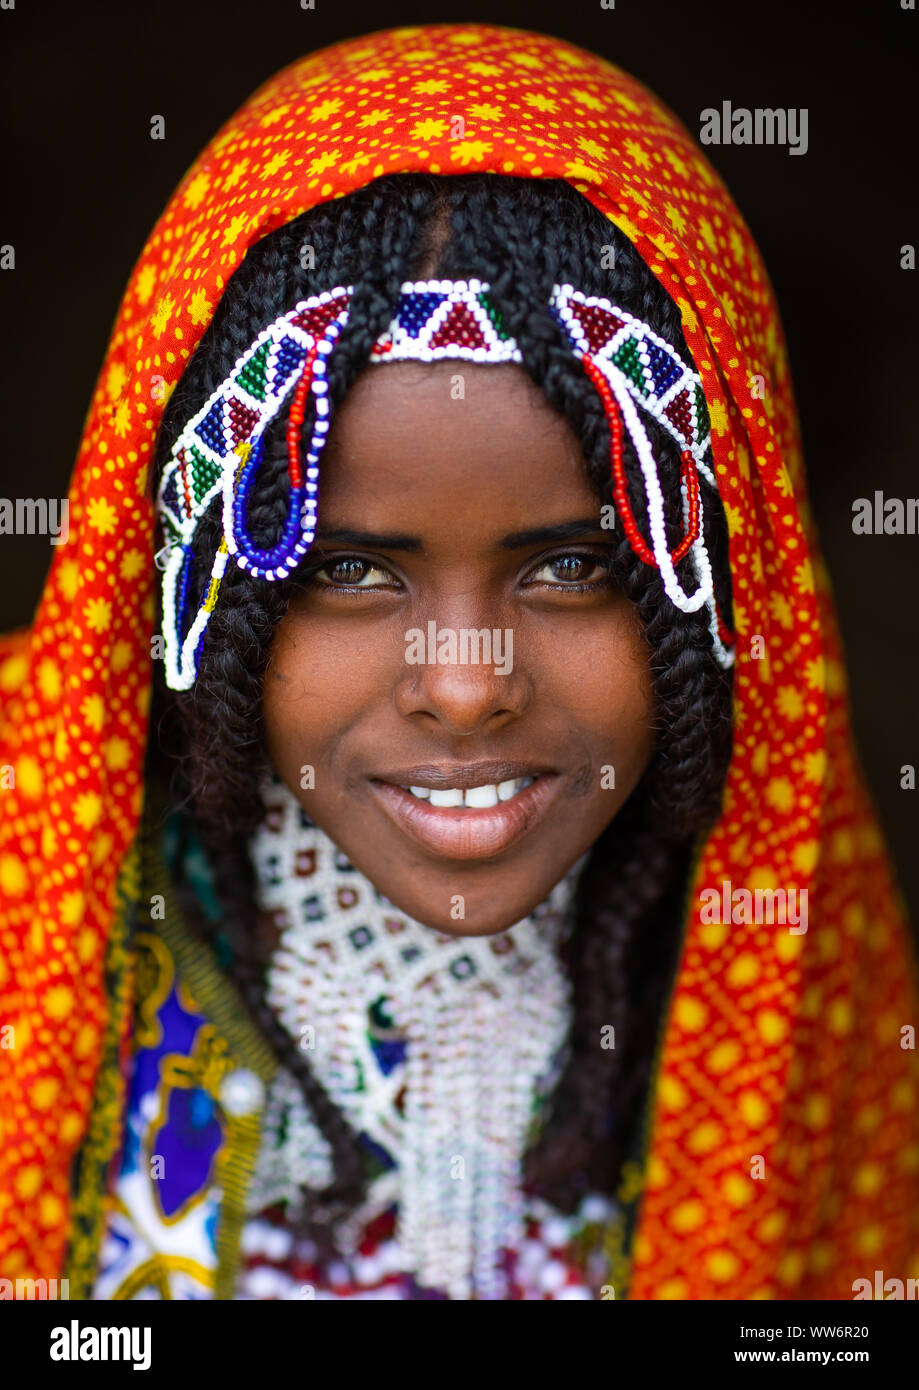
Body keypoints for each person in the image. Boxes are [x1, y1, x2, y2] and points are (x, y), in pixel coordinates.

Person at [1, 22, 916, 1302]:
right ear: (199, 571)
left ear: (721, 579)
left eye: (572, 566)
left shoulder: (794, 959)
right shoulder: (28, 884)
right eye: (347, 571)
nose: (466, 685)